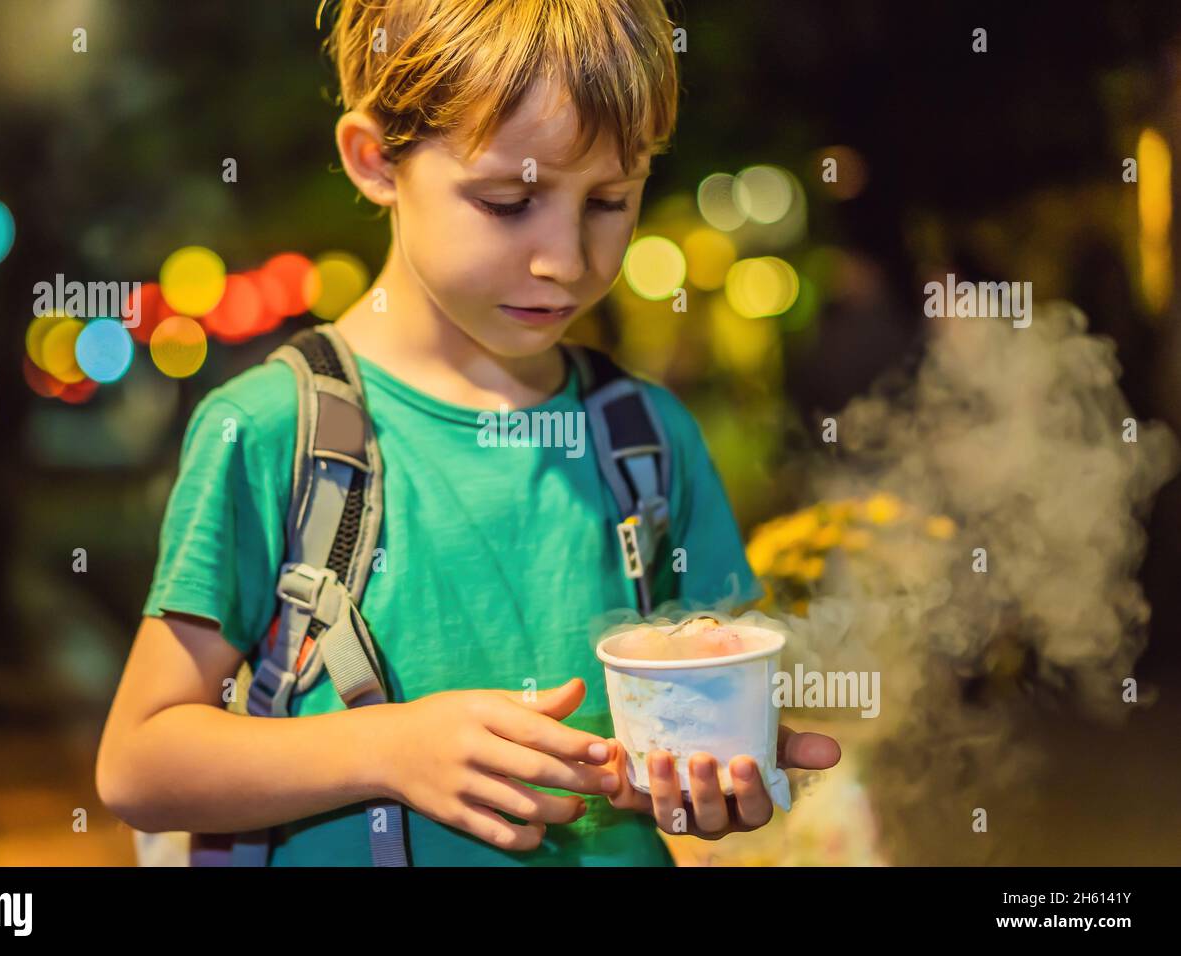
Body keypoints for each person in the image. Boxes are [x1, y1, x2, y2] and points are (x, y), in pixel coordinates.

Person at [96, 0, 840, 866]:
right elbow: (137, 763)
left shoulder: (650, 438)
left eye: (609, 200)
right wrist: (389, 748)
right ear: (375, 162)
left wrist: (721, 770)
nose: (565, 257)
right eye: (508, 200)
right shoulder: (268, 430)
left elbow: (714, 705)